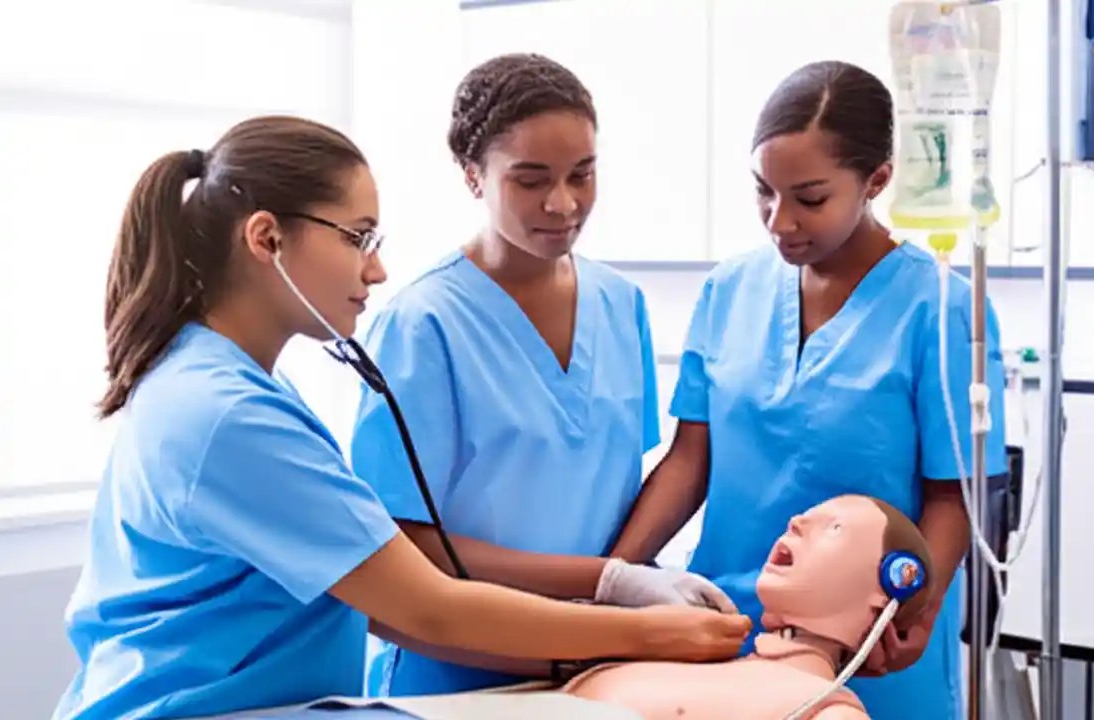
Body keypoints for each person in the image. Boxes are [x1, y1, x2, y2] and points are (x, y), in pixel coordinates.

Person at [53, 115, 750, 720]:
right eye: (358, 237)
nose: (378, 268)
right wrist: (653, 629)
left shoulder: (217, 381)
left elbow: (392, 603)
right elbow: (421, 607)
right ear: (266, 240)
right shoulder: (227, 416)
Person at [606, 61, 1009, 719]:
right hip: (725, 627)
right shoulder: (729, 291)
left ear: (876, 179)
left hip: (870, 640)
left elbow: (951, 494)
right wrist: (612, 580)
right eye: (764, 191)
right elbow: (690, 462)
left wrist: (916, 605)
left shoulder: (940, 309)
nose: (779, 220)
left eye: (810, 198)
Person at [348, 53, 732, 698]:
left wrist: (627, 587)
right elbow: (405, 547)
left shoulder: (620, 304)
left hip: (599, 665)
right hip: (458, 669)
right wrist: (604, 584)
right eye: (531, 181)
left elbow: (615, 488)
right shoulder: (423, 326)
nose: (564, 203)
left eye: (582, 174)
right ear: (474, 177)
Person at [561, 494, 936, 719]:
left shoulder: (826, 710)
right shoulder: (688, 647)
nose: (797, 521)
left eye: (834, 528)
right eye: (807, 515)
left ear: (888, 588)